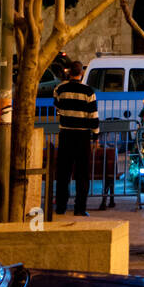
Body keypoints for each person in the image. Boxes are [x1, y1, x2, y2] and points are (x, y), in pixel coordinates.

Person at [53, 59, 100, 216]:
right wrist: (96, 136)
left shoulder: (59, 89)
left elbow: (57, 107)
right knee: (82, 174)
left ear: (69, 72)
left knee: (63, 173)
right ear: (81, 73)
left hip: (65, 134)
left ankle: (61, 206)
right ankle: (80, 208)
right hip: (82, 136)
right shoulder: (88, 92)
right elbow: (93, 116)